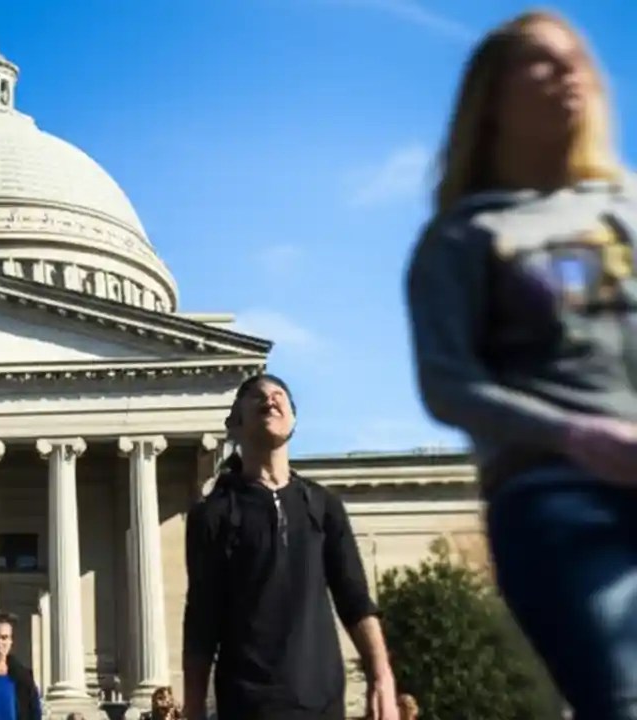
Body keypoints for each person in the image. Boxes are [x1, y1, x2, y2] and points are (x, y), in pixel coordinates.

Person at [405, 9, 637, 720]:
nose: (569, 70)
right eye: (541, 60)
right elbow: (449, 385)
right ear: (492, 100)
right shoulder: (464, 237)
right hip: (558, 494)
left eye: (577, 58)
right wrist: (575, 435)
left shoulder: (624, 208)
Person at [181, 374, 398, 720]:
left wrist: (382, 677)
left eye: (279, 395)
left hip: (322, 700)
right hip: (248, 704)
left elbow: (354, 599)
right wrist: (193, 707)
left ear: (294, 420)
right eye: (257, 397)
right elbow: (202, 619)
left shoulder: (322, 505)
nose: (270, 400)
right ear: (234, 424)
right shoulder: (214, 514)